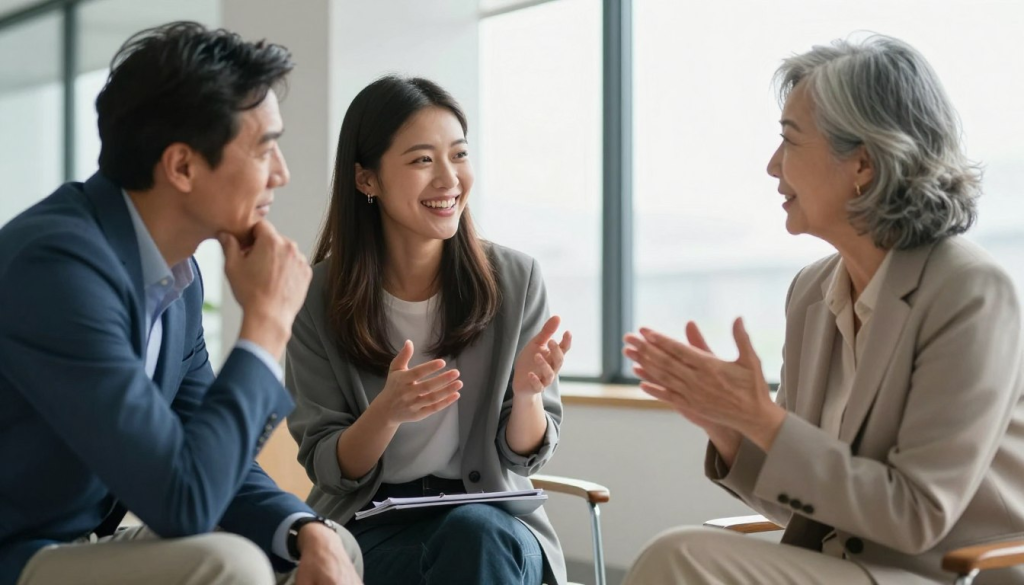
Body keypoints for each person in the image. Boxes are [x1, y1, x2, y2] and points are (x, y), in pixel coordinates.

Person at [622, 35, 1024, 584]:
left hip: (947, 572)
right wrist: (735, 431)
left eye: (789, 140)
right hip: (845, 568)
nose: (771, 166)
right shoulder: (812, 293)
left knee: (681, 557)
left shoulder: (970, 292)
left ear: (862, 162)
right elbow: (810, 507)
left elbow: (915, 516)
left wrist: (765, 420)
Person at [0, 21, 362, 585]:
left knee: (327, 546)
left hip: (82, 543)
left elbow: (211, 460)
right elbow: (184, 498)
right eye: (265, 148)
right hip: (18, 551)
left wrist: (301, 528)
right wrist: (266, 322)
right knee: (230, 565)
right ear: (183, 166)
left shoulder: (178, 277)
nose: (282, 174)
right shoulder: (56, 267)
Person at [285, 75, 571, 585]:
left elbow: (525, 455)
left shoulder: (516, 279)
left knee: (474, 536)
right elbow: (328, 464)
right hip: (372, 527)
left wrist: (528, 396)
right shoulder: (316, 296)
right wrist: (386, 413)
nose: (449, 179)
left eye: (459, 155)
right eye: (422, 160)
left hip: (494, 523)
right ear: (366, 179)